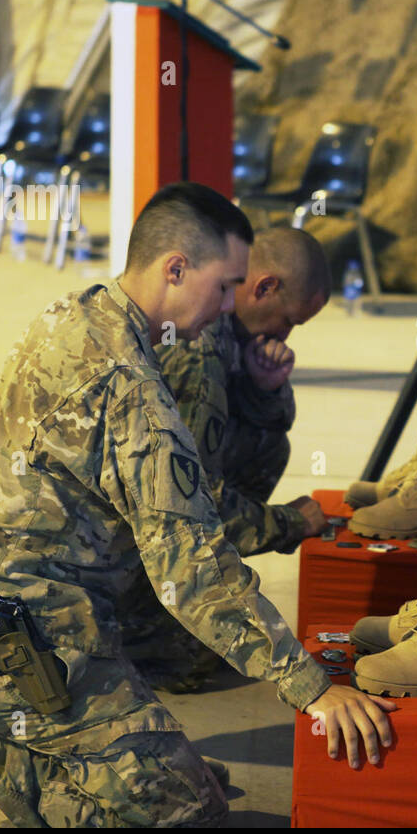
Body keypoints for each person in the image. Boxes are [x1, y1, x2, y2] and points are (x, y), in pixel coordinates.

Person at [0, 182, 394, 829]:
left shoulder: (76, 315)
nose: (224, 307)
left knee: (172, 768)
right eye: (222, 287)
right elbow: (192, 570)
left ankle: (15, 745)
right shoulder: (132, 390)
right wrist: (312, 688)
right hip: (21, 632)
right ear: (175, 269)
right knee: (187, 809)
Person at [122, 227, 332, 693]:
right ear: (265, 287)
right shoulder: (199, 346)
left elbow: (264, 438)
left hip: (149, 514)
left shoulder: (234, 331)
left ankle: (167, 602)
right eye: (288, 319)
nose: (287, 334)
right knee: (197, 657)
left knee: (270, 445)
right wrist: (288, 524)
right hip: (115, 545)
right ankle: (135, 633)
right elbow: (190, 498)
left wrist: (263, 389)